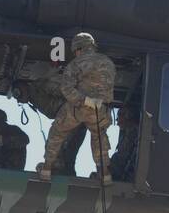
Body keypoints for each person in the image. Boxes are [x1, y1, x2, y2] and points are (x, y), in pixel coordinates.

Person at [38, 32, 116, 183]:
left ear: (78, 48)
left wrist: (84, 100)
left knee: (57, 131)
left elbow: (66, 88)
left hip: (80, 107)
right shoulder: (108, 62)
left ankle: (47, 169)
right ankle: (104, 173)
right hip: (101, 109)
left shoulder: (76, 63)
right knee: (99, 136)